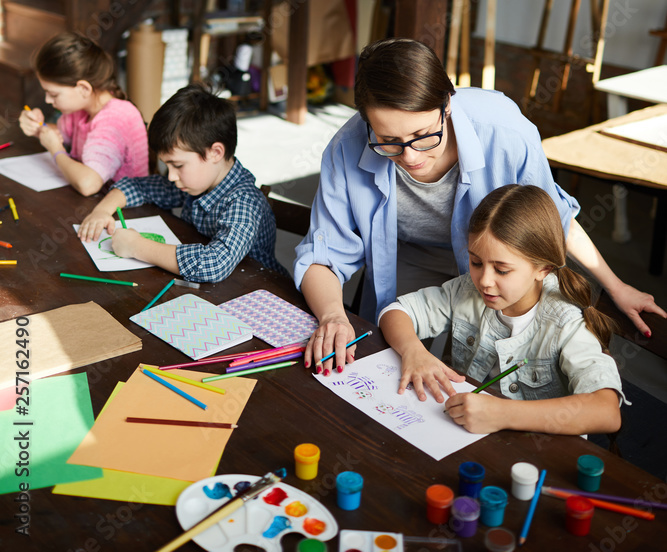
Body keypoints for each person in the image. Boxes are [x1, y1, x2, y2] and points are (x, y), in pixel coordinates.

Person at [295, 38, 665, 373]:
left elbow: (552, 216)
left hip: (495, 262)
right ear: (367, 123)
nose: (410, 157)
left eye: (423, 136)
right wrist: (333, 316)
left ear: (447, 104)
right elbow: (324, 253)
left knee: (501, 369)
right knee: (384, 361)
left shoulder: (505, 130)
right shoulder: (346, 147)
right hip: (408, 253)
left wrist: (616, 286)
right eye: (388, 141)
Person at [378, 184, 624, 436]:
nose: (484, 281)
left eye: (502, 270)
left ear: (543, 269)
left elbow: (606, 412)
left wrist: (501, 413)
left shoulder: (566, 322)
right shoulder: (467, 289)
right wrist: (414, 351)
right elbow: (395, 312)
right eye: (476, 262)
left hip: (537, 447)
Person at [78, 83, 287, 282]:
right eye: (167, 166)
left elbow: (214, 264)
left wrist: (137, 247)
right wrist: (102, 211)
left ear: (215, 153)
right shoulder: (197, 181)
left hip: (259, 291)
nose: (171, 176)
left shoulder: (244, 202)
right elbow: (139, 187)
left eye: (177, 165)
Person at [18, 31, 148, 196]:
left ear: (84, 88)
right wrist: (37, 126)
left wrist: (56, 149)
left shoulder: (115, 118)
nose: (48, 100)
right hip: (97, 203)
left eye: (54, 94)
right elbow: (59, 134)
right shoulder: (81, 108)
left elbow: (88, 184)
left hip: (127, 209)